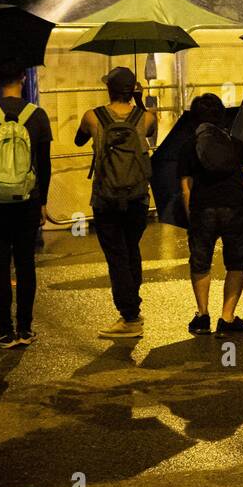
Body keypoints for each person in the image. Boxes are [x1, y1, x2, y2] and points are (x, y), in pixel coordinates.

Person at [0, 59, 52, 348]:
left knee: (0, 263)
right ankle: (25, 329)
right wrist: (43, 201)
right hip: (28, 199)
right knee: (26, 263)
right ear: (23, 79)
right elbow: (44, 163)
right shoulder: (37, 115)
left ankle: (4, 330)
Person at [76, 67, 157, 340]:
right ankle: (133, 305)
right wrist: (140, 100)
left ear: (109, 89)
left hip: (105, 197)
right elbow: (153, 129)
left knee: (117, 256)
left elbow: (79, 140)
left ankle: (130, 317)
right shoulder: (144, 117)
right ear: (132, 91)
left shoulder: (92, 116)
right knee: (131, 248)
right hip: (137, 197)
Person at [179, 92, 243, 335]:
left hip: (203, 208)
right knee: (237, 261)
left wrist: (191, 216)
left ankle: (202, 316)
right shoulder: (234, 140)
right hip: (234, 206)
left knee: (201, 262)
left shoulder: (188, 144)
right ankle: (227, 317)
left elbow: (186, 188)